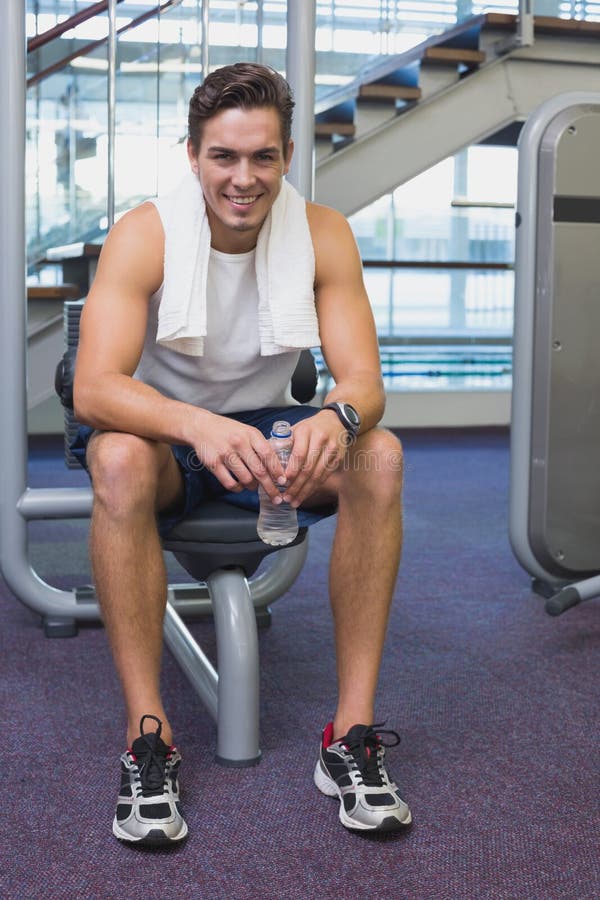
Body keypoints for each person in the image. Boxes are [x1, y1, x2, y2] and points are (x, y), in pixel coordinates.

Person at [73, 62, 411, 844]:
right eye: (224, 156)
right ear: (192, 155)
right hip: (162, 433)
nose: (243, 178)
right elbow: (93, 388)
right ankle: (145, 738)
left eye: (262, 157)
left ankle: (350, 735)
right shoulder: (145, 233)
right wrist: (194, 425)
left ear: (288, 156)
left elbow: (364, 379)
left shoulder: (324, 233)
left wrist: (343, 416)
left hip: (266, 431)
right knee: (117, 461)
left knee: (380, 458)